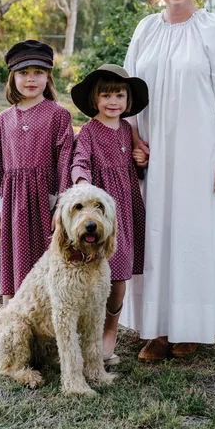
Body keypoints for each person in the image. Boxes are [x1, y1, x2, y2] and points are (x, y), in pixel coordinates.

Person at [121, 0, 215, 360]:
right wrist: (135, 142)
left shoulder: (214, 30)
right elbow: (127, 95)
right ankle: (156, 330)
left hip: (198, 152)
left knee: (191, 235)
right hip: (152, 154)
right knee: (155, 234)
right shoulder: (146, 30)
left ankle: (189, 327)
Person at [70, 64, 148, 366]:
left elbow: (138, 161)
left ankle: (110, 332)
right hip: (99, 212)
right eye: (106, 95)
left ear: (127, 100)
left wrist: (142, 158)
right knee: (95, 274)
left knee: (119, 275)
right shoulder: (89, 131)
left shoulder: (128, 130)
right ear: (95, 99)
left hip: (124, 213)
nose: (113, 102)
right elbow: (80, 160)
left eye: (119, 95)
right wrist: (82, 182)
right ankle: (88, 334)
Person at [0, 39, 74, 306]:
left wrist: (61, 206)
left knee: (46, 262)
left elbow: (65, 163)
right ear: (13, 78)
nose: (31, 79)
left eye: (38, 72)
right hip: (13, 203)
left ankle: (44, 323)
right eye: (23, 73)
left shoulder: (59, 115)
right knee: (13, 261)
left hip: (44, 201)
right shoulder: (3, 119)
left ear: (48, 76)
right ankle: (11, 322)